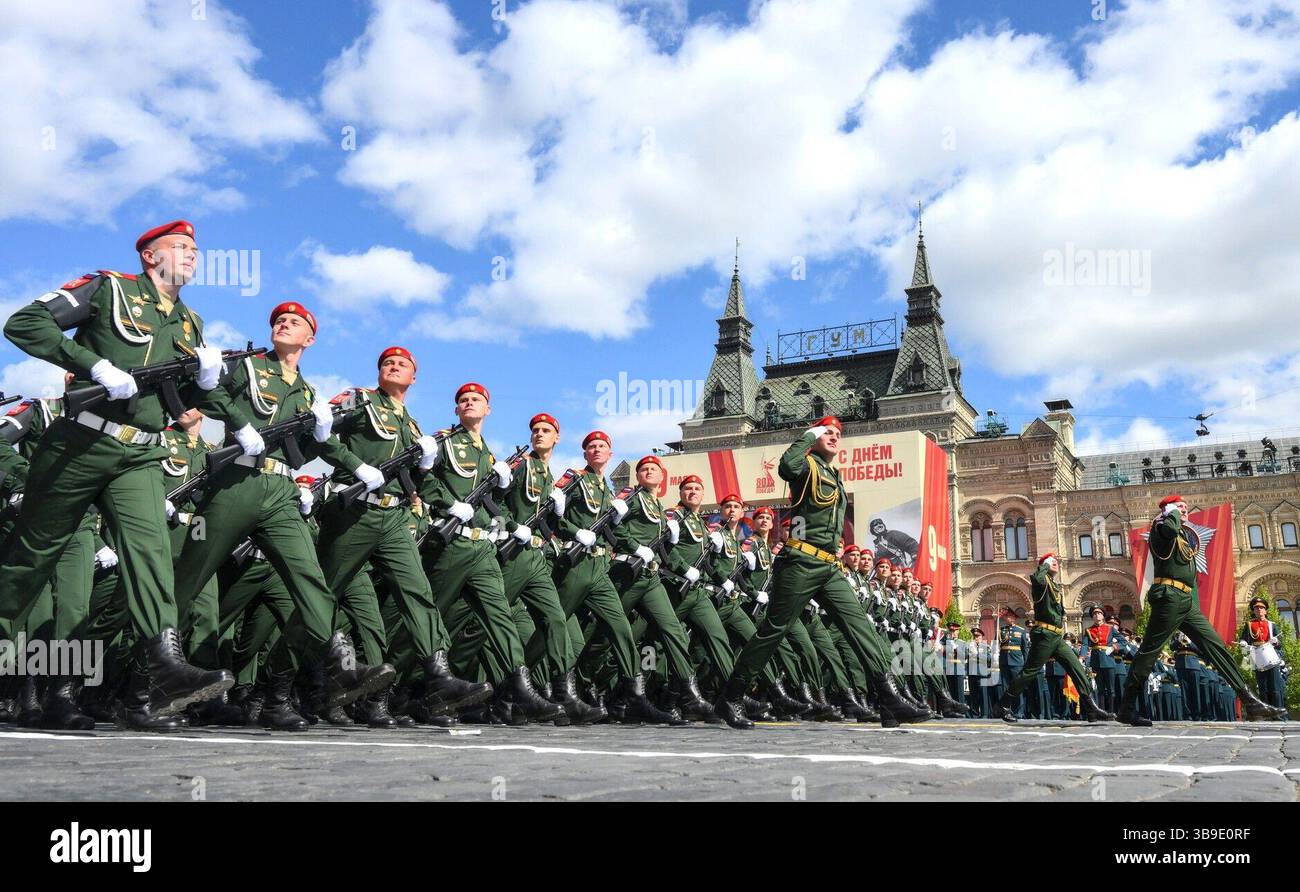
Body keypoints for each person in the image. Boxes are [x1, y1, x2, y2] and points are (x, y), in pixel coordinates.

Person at [1, 220, 234, 728]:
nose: (192, 255)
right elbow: (25, 324)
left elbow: (181, 405)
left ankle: (164, 667)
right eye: (181, 247)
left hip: (142, 453)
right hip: (82, 441)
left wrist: (209, 383)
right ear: (151, 256)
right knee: (33, 558)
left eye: (196, 249)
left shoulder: (190, 324)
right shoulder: (108, 290)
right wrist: (92, 364)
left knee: (151, 553)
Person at [712, 417, 927, 728]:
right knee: (774, 631)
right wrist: (807, 436)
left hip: (828, 566)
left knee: (860, 627)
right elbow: (786, 466)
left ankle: (889, 698)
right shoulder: (806, 466)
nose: (834, 437)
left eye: (838, 434)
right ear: (814, 436)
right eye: (828, 432)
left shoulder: (832, 474)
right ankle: (730, 697)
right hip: (800, 562)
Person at [1117, 495, 1284, 725]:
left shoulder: (1182, 535)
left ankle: (1251, 702)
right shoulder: (1162, 527)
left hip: (1185, 600)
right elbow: (1170, 530)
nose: (1185, 510)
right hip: (1169, 597)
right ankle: (1126, 707)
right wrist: (1171, 513)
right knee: (1149, 652)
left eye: (1185, 507)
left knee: (1215, 646)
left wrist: (1175, 514)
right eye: (1179, 507)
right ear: (1168, 511)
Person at [993, 554, 1113, 722]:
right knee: (1029, 672)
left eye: (1055, 561)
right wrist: (1044, 565)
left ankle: (1090, 708)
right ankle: (1002, 705)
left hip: (1056, 636)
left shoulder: (1053, 584)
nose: (1055, 563)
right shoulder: (1040, 582)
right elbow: (1037, 579)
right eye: (1051, 562)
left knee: (1077, 669)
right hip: (1044, 636)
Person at [1239, 596, 1288, 718]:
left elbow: (1280, 643)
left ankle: (1278, 713)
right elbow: (1244, 640)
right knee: (1263, 687)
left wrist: (1276, 641)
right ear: (1254, 611)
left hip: (1271, 656)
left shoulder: (1271, 625)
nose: (1259, 610)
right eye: (1256, 608)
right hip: (1257, 656)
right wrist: (1243, 643)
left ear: (1265, 610)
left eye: (1261, 608)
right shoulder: (1249, 625)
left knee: (1275, 686)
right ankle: (1265, 713)